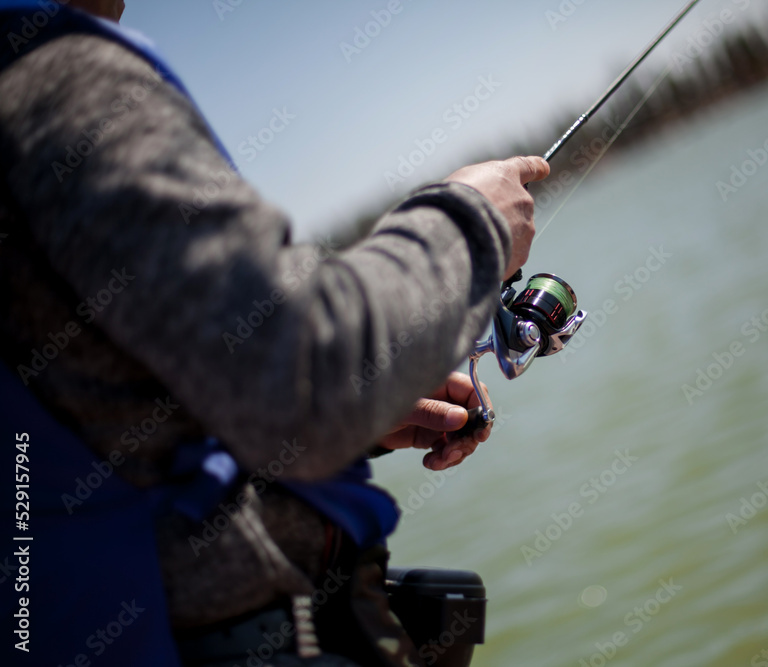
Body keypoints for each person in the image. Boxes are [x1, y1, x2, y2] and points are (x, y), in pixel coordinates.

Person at [0, 1, 550, 665]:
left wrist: (351, 408)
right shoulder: (51, 79)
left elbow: (74, 443)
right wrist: (471, 226)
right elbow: (298, 371)